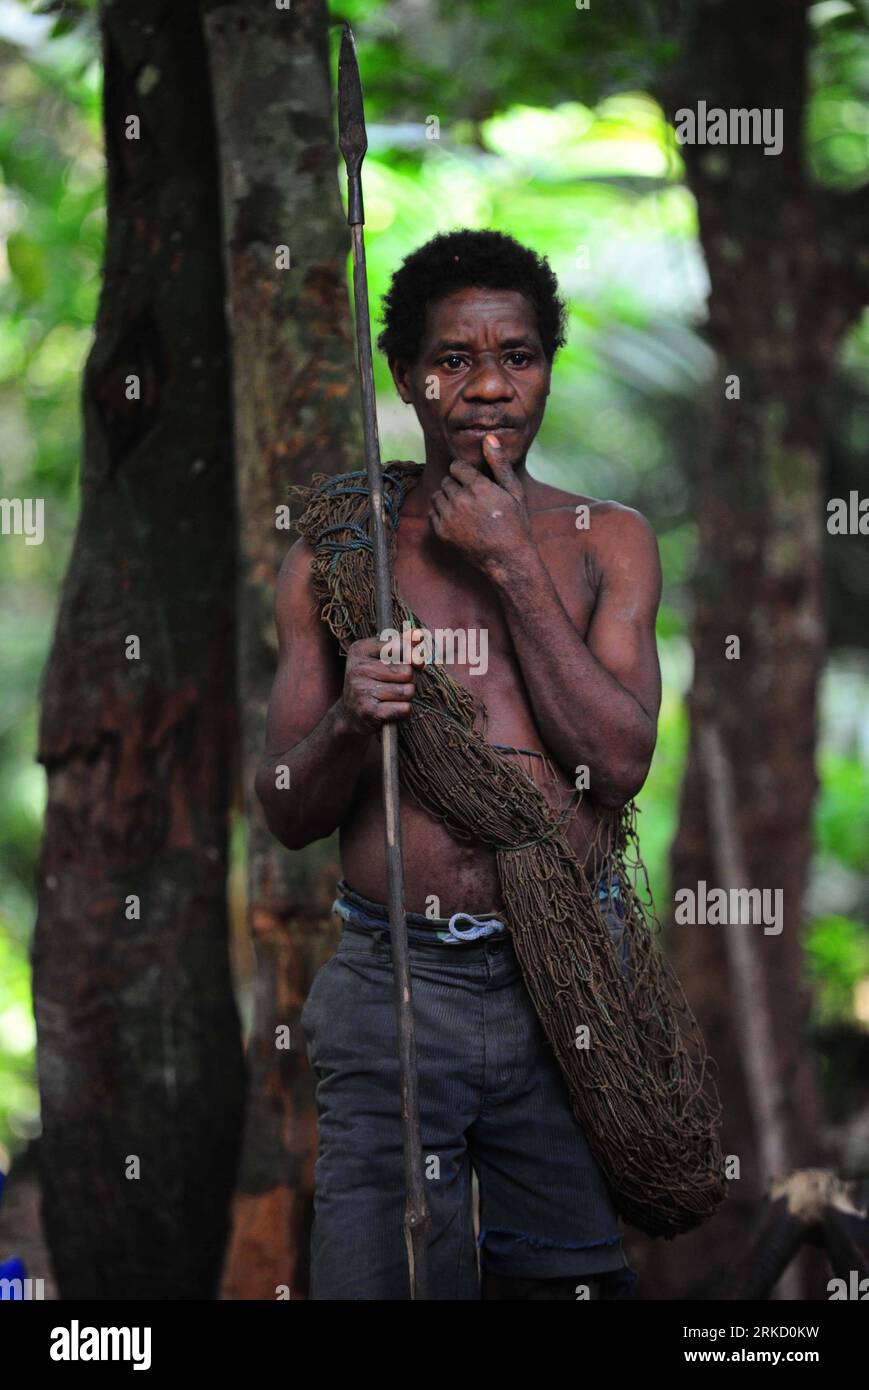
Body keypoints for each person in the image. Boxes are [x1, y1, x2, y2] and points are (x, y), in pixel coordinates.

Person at [256, 228, 662, 1300]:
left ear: (544, 368)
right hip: (397, 982)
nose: (488, 385)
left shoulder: (602, 540)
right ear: (405, 377)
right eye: (453, 359)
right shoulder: (340, 557)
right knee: (379, 1278)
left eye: (517, 356)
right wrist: (348, 721)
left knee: (567, 1280)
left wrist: (510, 567)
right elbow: (285, 809)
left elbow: (617, 763)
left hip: (564, 975)